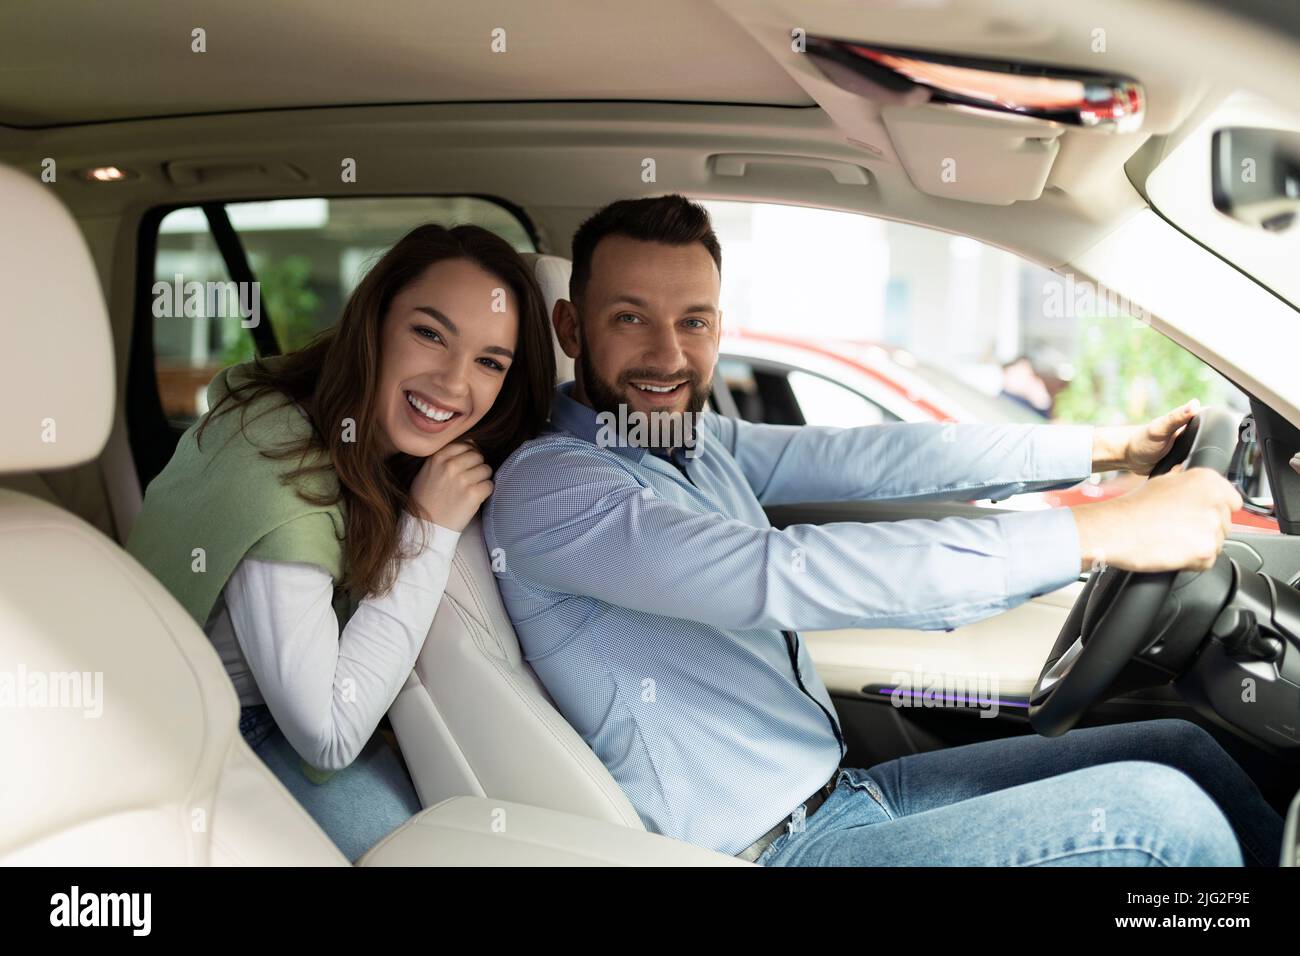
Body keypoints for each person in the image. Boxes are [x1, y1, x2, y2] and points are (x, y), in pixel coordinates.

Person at [483, 194, 1284, 866]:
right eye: (631, 318)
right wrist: (1097, 534)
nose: (668, 353)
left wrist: (1104, 450)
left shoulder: (681, 439)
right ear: (571, 328)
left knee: (1179, 751)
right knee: (1161, 819)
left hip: (845, 793)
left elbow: (878, 457)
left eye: (693, 322)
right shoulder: (553, 489)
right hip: (771, 853)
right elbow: (779, 572)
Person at [128, 223, 556, 860]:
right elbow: (326, 733)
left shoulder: (360, 431)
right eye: (430, 334)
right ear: (374, 325)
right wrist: (429, 533)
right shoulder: (278, 478)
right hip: (206, 722)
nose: (454, 382)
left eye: (489, 362)